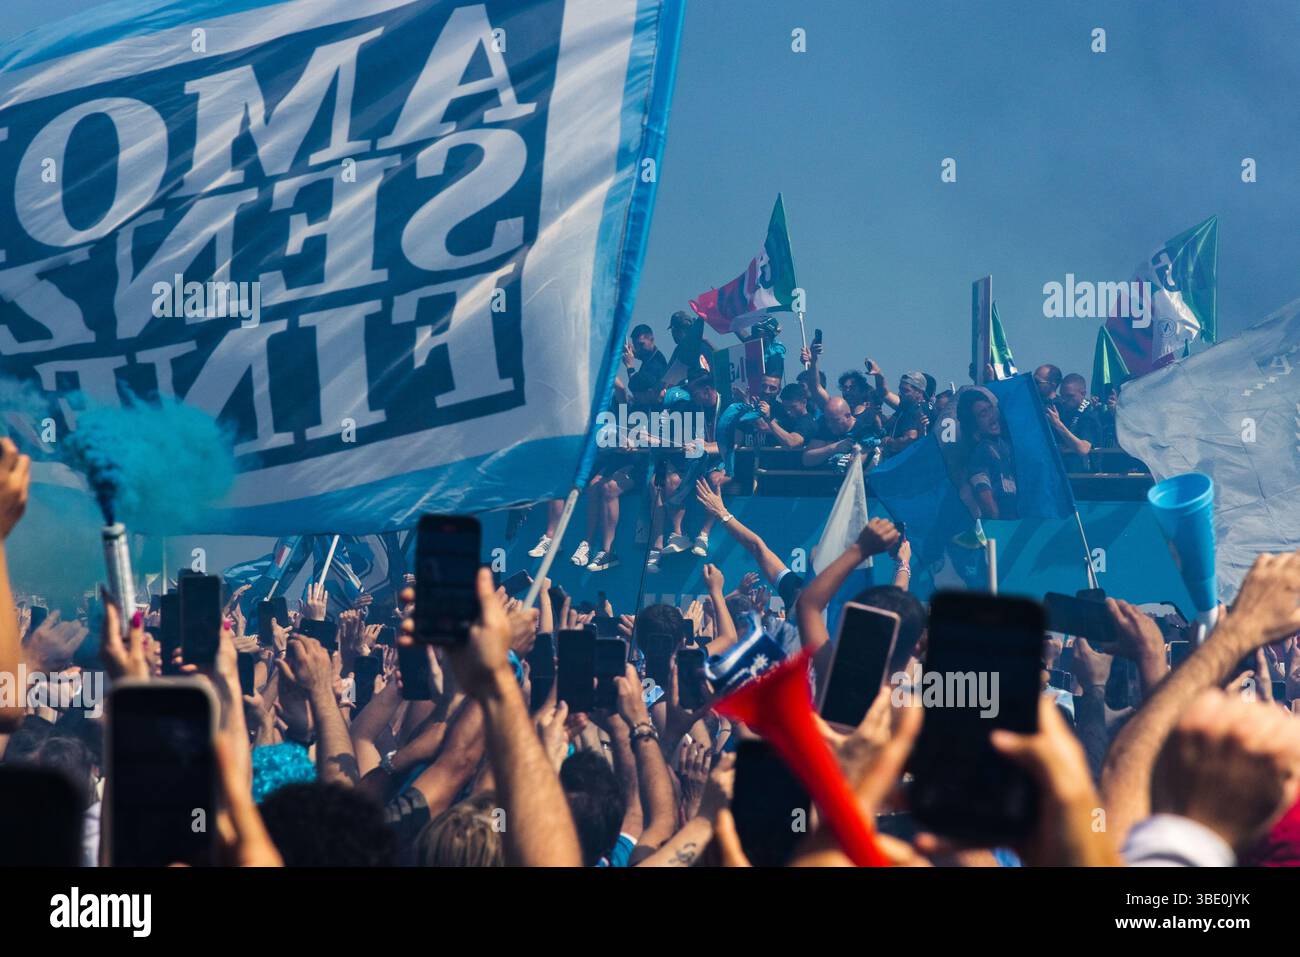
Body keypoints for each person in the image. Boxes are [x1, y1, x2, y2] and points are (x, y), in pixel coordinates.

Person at [958, 387, 1018, 520]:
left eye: (991, 409)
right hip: (1002, 528)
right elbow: (986, 501)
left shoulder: (1006, 445)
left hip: (1019, 522)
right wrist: (997, 526)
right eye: (983, 415)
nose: (992, 417)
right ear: (973, 425)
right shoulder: (980, 453)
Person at [1048, 373, 1101, 473]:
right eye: (1062, 396)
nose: (1064, 400)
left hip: (1086, 480)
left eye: (1069, 396)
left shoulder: (1089, 416)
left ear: (1083, 394)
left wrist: (1058, 424)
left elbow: (1083, 449)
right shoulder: (1064, 412)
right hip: (1067, 475)